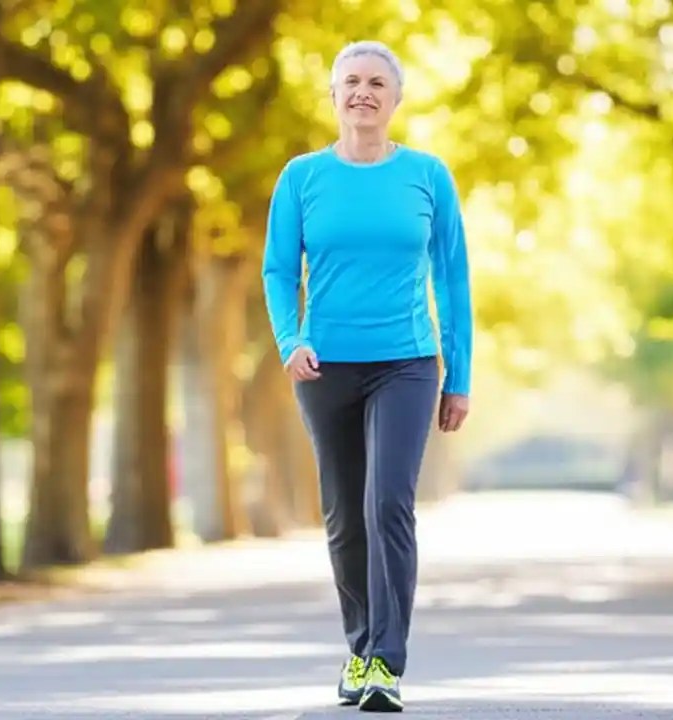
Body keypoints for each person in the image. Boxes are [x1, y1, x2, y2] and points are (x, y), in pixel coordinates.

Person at [260, 40, 473, 713]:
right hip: (324, 367)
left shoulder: (428, 176)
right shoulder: (301, 178)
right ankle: (358, 649)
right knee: (344, 516)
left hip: (407, 362)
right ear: (333, 96)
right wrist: (290, 341)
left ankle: (386, 659)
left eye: (376, 82)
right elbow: (275, 269)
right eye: (350, 81)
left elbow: (452, 277)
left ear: (396, 97)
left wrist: (457, 373)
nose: (362, 92)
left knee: (389, 504)